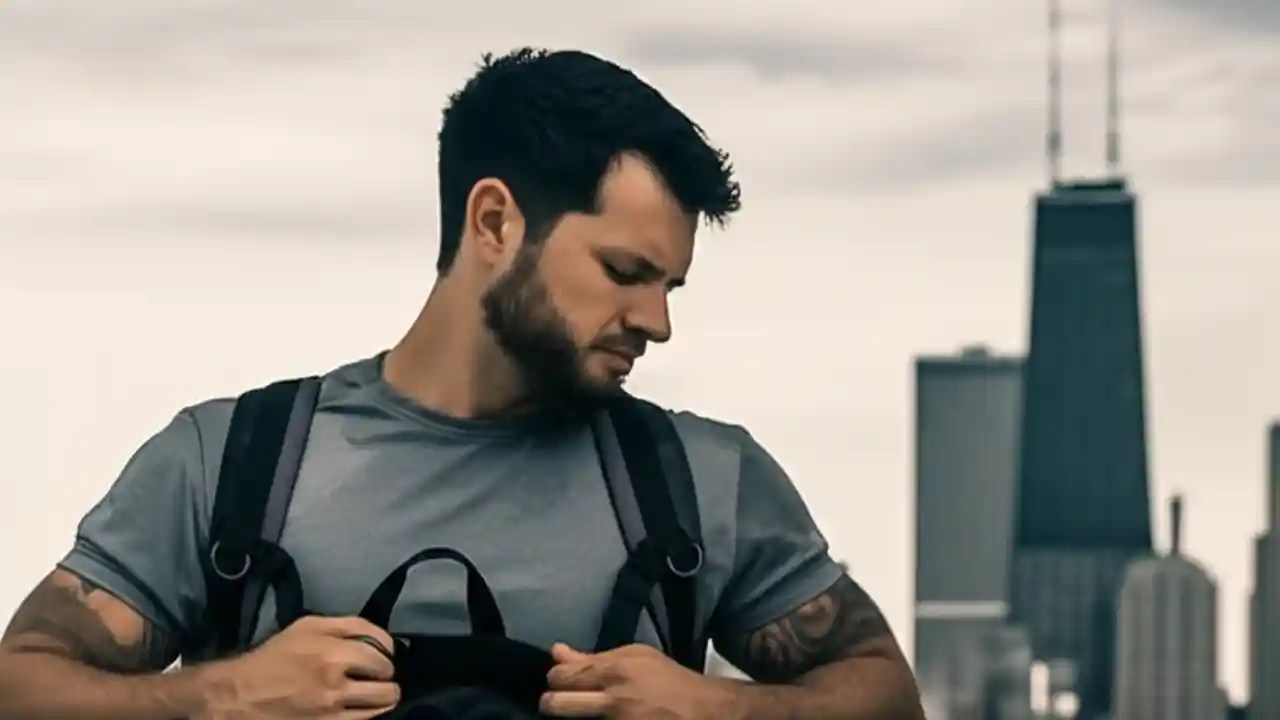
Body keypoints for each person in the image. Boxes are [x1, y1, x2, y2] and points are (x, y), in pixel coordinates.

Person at [0, 48, 924, 719]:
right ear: (494, 222)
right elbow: (23, 681)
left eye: (670, 286)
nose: (658, 321)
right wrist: (222, 695)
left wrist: (719, 713)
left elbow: (884, 692)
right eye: (624, 271)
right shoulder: (229, 465)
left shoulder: (703, 482)